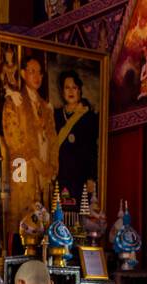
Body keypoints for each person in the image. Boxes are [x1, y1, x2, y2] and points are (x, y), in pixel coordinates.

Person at [1, 52, 57, 252]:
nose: (36, 77)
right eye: (32, 72)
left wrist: (50, 167)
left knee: (44, 217)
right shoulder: (15, 101)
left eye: (39, 73)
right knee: (21, 214)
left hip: (43, 172)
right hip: (22, 167)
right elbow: (12, 136)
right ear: (23, 73)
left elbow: (52, 140)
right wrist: (33, 159)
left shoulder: (46, 107)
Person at [52, 70, 99, 207]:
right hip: (60, 175)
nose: (71, 91)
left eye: (74, 87)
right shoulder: (56, 116)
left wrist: (91, 177)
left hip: (81, 176)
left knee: (80, 216)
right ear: (62, 91)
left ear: (79, 90)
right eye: (67, 88)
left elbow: (92, 150)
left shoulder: (88, 117)